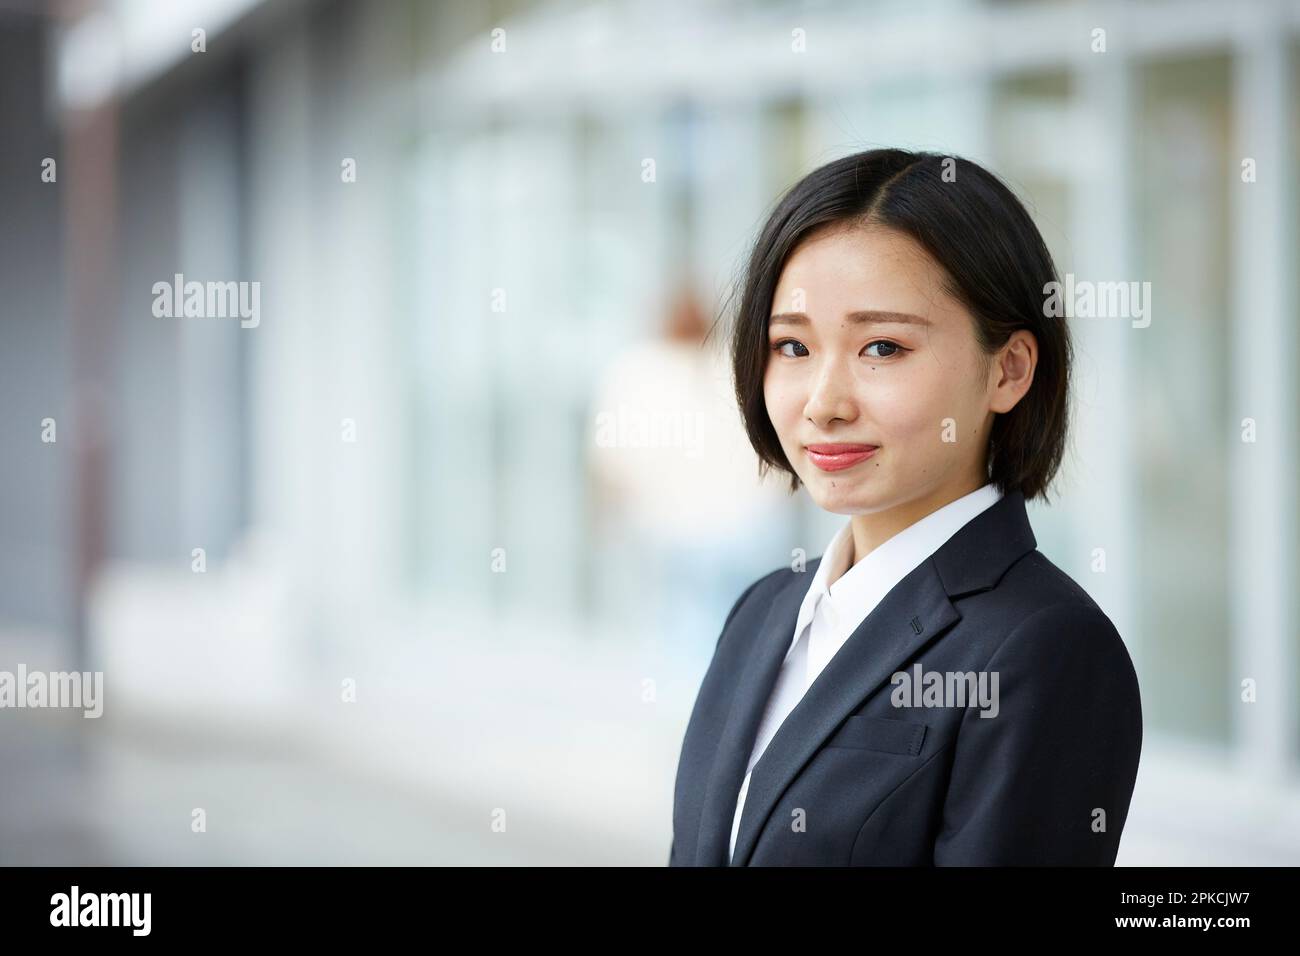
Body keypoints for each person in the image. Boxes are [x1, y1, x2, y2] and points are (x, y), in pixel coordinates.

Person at [669, 148, 1142, 866]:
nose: (824, 404)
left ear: (1008, 369)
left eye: (882, 347)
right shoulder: (761, 614)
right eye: (792, 346)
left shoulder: (1045, 648)